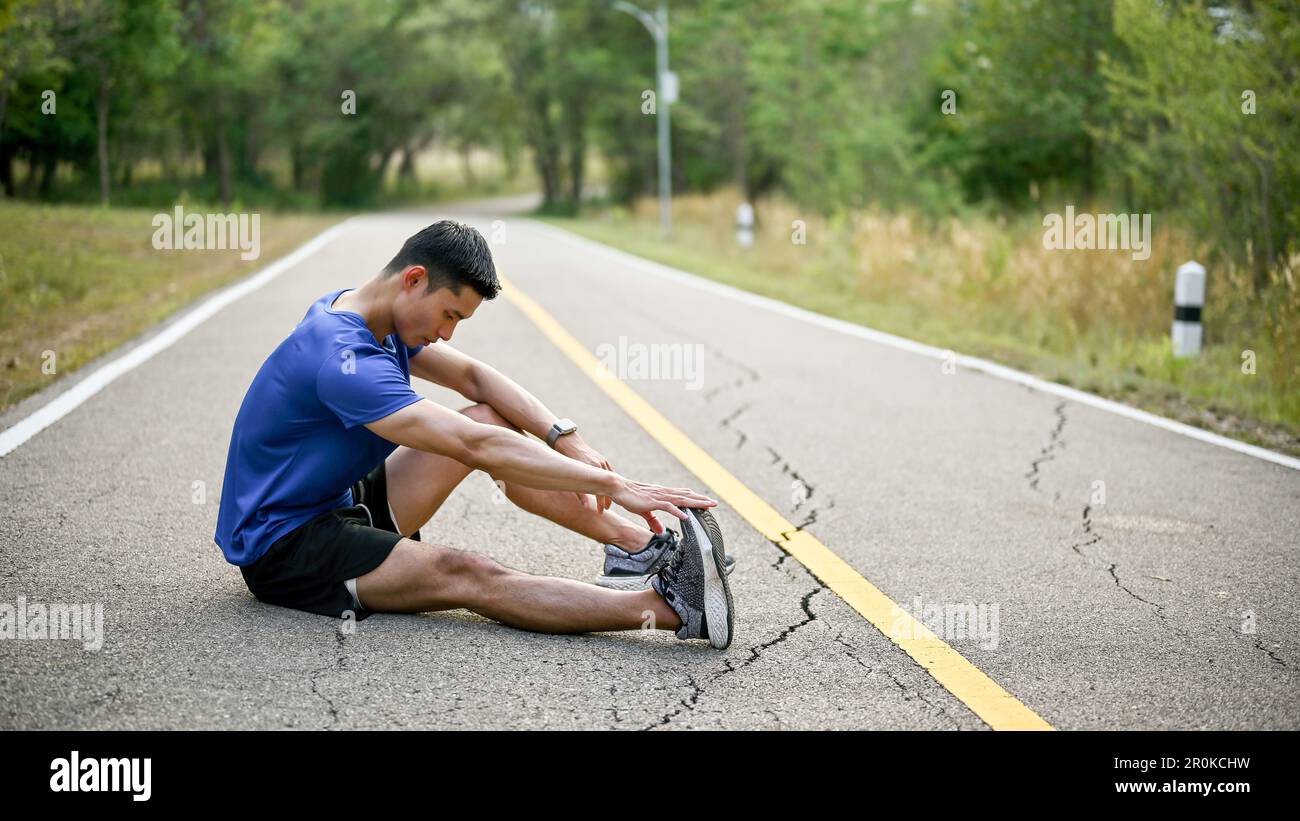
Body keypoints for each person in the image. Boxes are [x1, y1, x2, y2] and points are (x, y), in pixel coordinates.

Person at [214, 220, 735, 648]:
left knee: (488, 415)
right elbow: (471, 445)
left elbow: (475, 378)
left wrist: (565, 438)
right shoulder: (341, 359)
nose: (446, 333)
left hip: (341, 499)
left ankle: (640, 548)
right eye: (448, 314)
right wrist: (615, 486)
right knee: (467, 571)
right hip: (287, 544)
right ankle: (675, 610)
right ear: (413, 279)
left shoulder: (366, 313)